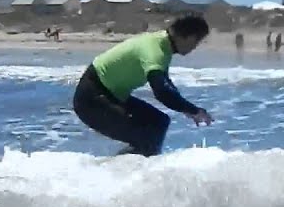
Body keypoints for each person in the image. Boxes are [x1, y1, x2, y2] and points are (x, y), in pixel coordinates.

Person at [72, 15, 213, 157]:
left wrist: (185, 108)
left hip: (109, 94)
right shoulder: (155, 50)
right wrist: (193, 110)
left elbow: (166, 82)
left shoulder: (162, 44)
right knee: (147, 138)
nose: (195, 47)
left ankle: (126, 169)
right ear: (187, 37)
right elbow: (161, 91)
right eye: (197, 41)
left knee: (159, 122)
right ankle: (117, 172)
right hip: (91, 100)